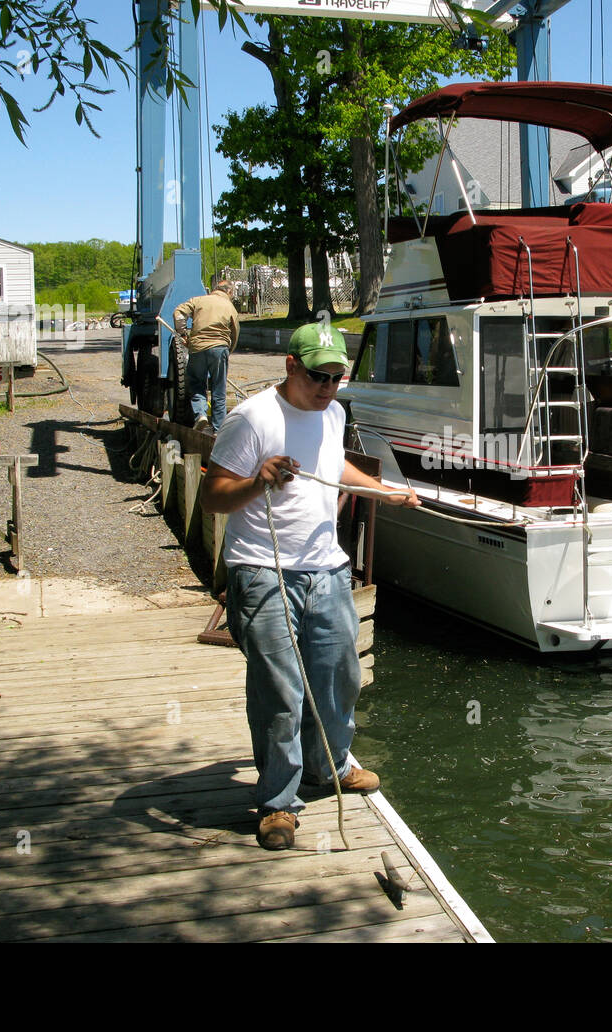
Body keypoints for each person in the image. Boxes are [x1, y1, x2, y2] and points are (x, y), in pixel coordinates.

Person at [200, 322, 420, 851]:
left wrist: (381, 491)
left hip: (327, 569)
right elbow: (212, 496)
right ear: (291, 366)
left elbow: (332, 461)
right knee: (280, 691)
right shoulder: (251, 419)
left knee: (341, 675)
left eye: (337, 377)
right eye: (318, 376)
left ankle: (331, 765)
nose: (327, 387)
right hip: (263, 570)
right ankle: (278, 803)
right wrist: (259, 481)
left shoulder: (334, 412)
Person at [166, 280, 240, 433]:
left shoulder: (198, 300)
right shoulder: (230, 307)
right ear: (230, 292)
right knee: (219, 390)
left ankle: (200, 414)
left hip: (197, 348)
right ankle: (218, 429)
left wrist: (182, 334)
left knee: (197, 384)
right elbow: (235, 332)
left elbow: (178, 313)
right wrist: (228, 350)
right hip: (219, 349)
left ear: (214, 289)